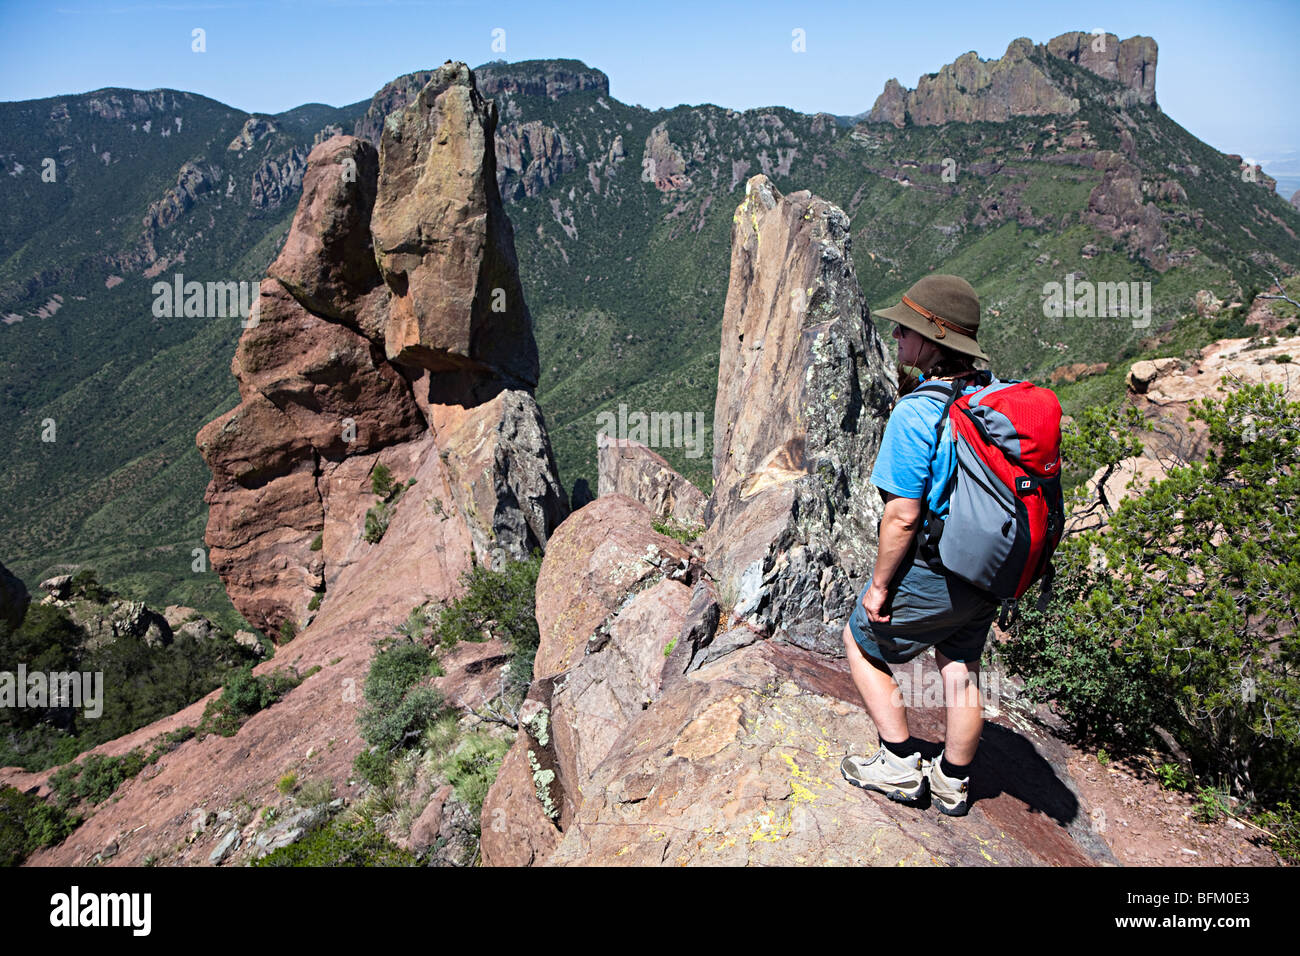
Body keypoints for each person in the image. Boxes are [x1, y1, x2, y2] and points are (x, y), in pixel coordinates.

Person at [839, 274, 998, 817]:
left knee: (860, 641)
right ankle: (953, 780)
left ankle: (900, 764)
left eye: (906, 331)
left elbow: (903, 517)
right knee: (959, 664)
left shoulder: (918, 411)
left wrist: (879, 589)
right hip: (989, 566)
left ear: (933, 342)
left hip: (940, 567)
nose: (898, 340)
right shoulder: (993, 394)